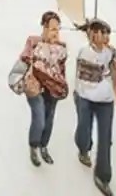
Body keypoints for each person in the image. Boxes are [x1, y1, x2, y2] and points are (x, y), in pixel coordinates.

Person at [74, 19, 116, 195]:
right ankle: (83, 147)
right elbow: (87, 77)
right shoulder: (83, 53)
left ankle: (103, 176)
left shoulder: (111, 53)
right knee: (83, 129)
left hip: (105, 101)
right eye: (103, 33)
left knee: (105, 138)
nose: (106, 36)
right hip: (85, 97)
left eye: (107, 33)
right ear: (93, 34)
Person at [19, 11, 69, 167]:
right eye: (52, 28)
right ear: (44, 28)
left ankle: (44, 145)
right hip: (35, 87)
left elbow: (61, 69)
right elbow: (24, 59)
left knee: (49, 118)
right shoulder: (33, 42)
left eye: (57, 29)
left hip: (52, 88)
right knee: (39, 117)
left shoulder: (61, 48)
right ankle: (34, 146)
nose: (55, 32)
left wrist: (61, 85)